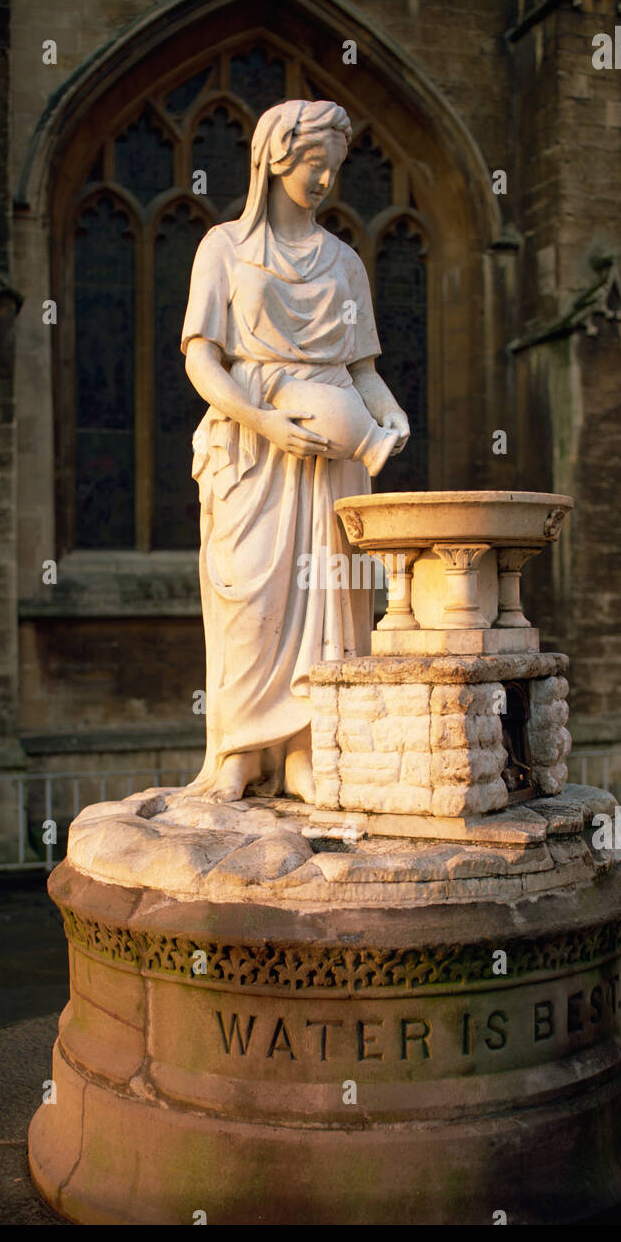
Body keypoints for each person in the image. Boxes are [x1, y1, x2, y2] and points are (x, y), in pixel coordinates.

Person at [181, 99, 410, 804]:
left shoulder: (343, 263)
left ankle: (310, 747)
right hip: (254, 446)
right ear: (276, 158)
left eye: (334, 170)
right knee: (250, 597)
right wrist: (265, 421)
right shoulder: (223, 248)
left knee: (329, 600)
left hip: (333, 451)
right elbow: (201, 358)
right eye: (315, 166)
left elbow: (363, 369)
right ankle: (242, 753)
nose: (324, 182)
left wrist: (392, 413)